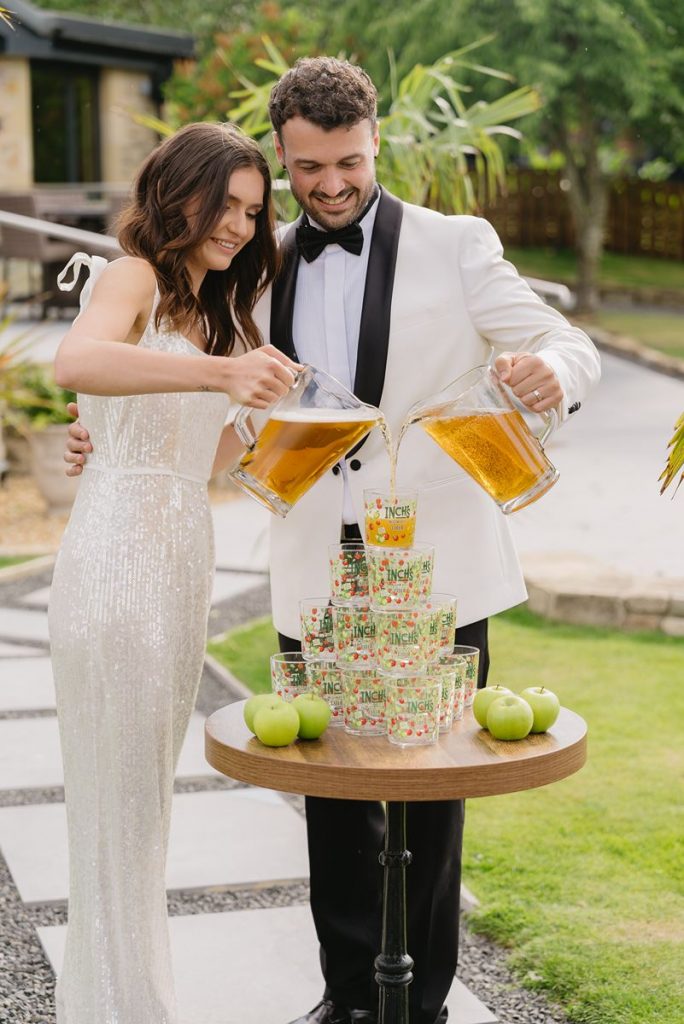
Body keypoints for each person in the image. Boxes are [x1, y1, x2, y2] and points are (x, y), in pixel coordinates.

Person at [64, 59, 601, 1024]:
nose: (331, 184)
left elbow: (568, 340)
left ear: (377, 143)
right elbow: (200, 384)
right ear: (282, 155)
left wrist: (551, 374)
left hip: (442, 569)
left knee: (432, 795)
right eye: (309, 167)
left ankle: (422, 1003)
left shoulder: (457, 243)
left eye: (347, 162)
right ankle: (348, 995)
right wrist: (107, 429)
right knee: (332, 793)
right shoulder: (251, 260)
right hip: (313, 562)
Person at [49, 121, 299, 1024]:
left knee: (145, 803)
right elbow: (74, 360)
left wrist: (270, 417)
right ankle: (118, 1008)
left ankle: (127, 997)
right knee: (112, 799)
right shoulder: (136, 280)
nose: (238, 225)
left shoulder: (222, 316)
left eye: (252, 212)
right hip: (114, 557)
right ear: (178, 190)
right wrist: (215, 383)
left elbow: (216, 460)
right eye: (224, 204)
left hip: (182, 559)